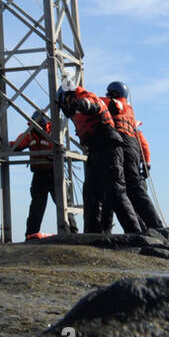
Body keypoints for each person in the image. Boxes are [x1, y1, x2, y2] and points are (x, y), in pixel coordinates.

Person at [57, 84, 142, 235]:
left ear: (68, 96)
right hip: (96, 149)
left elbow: (92, 104)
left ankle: (134, 233)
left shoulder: (85, 97)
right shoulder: (76, 108)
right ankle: (92, 233)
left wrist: (80, 104)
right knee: (91, 194)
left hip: (108, 146)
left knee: (116, 191)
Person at [103, 81, 163, 232]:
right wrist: (147, 163)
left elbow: (100, 103)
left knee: (129, 189)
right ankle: (147, 228)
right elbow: (144, 143)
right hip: (133, 150)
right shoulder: (130, 113)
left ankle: (154, 227)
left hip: (124, 146)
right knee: (129, 191)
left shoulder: (116, 104)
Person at [10, 109, 56, 238]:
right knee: (37, 206)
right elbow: (16, 146)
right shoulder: (30, 134)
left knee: (63, 204)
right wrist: (6, 145)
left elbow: (59, 147)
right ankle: (30, 235)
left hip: (54, 173)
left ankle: (71, 232)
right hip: (39, 174)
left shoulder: (54, 132)